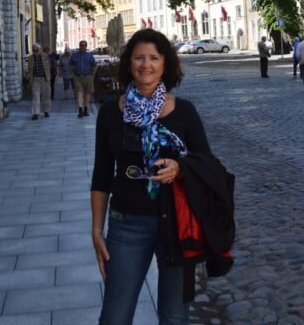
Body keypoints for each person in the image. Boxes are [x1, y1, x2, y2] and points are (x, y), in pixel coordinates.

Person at [91, 29, 213, 325]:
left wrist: (181, 168)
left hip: (175, 223)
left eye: (153, 58)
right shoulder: (110, 112)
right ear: (129, 63)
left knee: (174, 316)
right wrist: (96, 230)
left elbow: (207, 163)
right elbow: (102, 174)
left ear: (165, 64)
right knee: (114, 317)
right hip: (126, 225)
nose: (146, 64)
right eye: (139, 58)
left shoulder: (184, 111)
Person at [70, 40, 97, 117]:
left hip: (88, 76)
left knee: (88, 93)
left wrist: (92, 76)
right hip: (78, 77)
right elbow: (71, 65)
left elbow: (94, 66)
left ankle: (85, 109)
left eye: (84, 45)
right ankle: (80, 110)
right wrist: (73, 75)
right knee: (79, 93)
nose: (83, 47)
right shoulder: (74, 55)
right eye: (81, 45)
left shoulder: (90, 56)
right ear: (79, 46)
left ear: (86, 46)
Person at [27, 43, 51, 119]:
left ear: (40, 50)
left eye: (37, 50)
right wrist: (29, 80)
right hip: (35, 79)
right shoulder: (30, 58)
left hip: (45, 78)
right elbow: (29, 70)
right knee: (35, 95)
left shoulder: (45, 56)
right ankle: (35, 113)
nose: (35, 52)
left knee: (46, 95)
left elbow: (49, 66)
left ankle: (46, 111)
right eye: (34, 51)